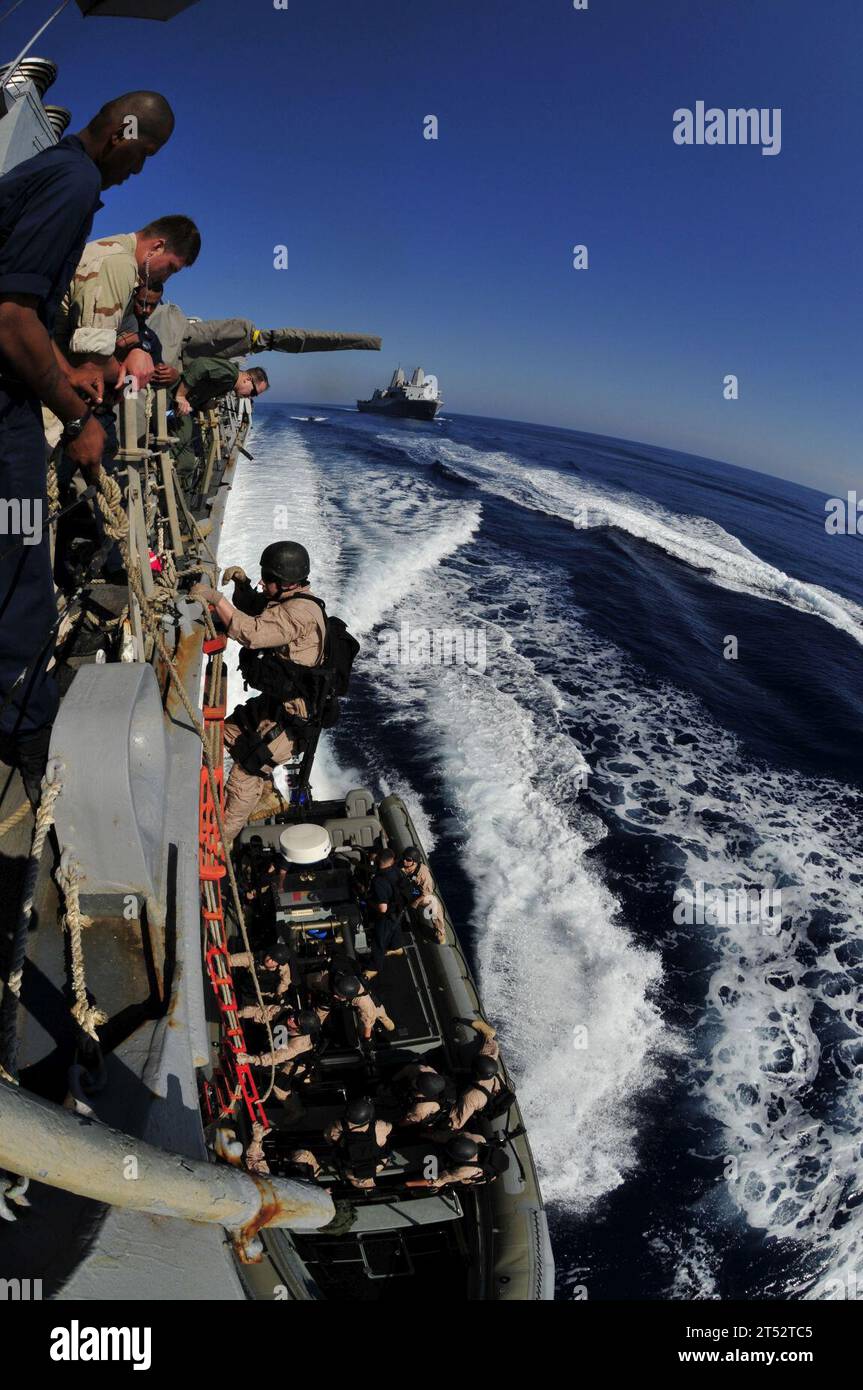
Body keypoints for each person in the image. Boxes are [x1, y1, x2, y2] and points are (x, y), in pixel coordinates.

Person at [0, 90, 175, 798]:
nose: (138, 173)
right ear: (123, 134)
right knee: (19, 563)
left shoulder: (43, 173)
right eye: (144, 154)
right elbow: (11, 318)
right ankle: (27, 729)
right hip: (7, 412)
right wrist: (77, 415)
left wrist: (62, 365)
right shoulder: (73, 184)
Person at [189, 541, 326, 845]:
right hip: (275, 706)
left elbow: (252, 633)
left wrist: (215, 598)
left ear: (286, 582)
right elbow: (257, 608)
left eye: (268, 578)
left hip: (293, 720)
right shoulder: (290, 599)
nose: (263, 582)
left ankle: (219, 842)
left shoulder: (299, 614)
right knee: (224, 733)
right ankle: (268, 795)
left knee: (245, 772)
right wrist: (242, 585)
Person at [170, 358, 268, 481]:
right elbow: (200, 365)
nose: (249, 396)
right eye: (253, 392)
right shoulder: (231, 373)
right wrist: (180, 396)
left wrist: (205, 404)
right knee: (186, 462)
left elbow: (199, 390)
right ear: (247, 379)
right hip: (172, 402)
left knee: (198, 452)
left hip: (182, 410)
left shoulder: (229, 384)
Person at [236, 1008, 322, 1103]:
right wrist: (239, 1013)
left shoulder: (299, 1044)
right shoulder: (286, 1012)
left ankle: (255, 1086)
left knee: (279, 1089)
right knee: (273, 1030)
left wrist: (251, 1059)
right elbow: (262, 1011)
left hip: (292, 1064)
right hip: (279, 1041)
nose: (292, 1018)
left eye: (296, 1021)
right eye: (296, 1015)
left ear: (299, 1030)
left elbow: (277, 1056)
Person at [324, 1098, 392, 1190]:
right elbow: (390, 1127)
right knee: (384, 1144)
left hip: (349, 1168)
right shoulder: (380, 1126)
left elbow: (328, 1138)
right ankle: (365, 1180)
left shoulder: (337, 1126)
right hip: (375, 1166)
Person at [365, 846, 407, 974]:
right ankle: (397, 947)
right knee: (395, 927)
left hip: (387, 914)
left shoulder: (378, 881)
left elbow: (383, 908)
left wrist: (368, 902)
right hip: (399, 909)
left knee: (378, 940)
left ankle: (373, 968)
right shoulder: (397, 871)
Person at [400, 845, 446, 943]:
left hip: (416, 893)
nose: (404, 861)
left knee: (434, 903)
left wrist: (416, 902)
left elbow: (427, 892)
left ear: (415, 862)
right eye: (404, 858)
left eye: (408, 860)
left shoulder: (423, 873)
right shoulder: (400, 866)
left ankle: (440, 932)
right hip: (401, 890)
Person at [392, 1062, 455, 1129]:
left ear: (423, 1093)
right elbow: (404, 1072)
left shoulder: (420, 1108)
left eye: (416, 1084)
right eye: (417, 1079)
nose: (414, 1081)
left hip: (432, 1111)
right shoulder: (420, 1069)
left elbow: (404, 1122)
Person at [228, 942, 293, 1004]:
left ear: (278, 964)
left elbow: (285, 982)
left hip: (262, 996)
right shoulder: (255, 958)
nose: (269, 961)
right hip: (245, 988)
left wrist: (279, 994)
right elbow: (234, 960)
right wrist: (229, 961)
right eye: (270, 956)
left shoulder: (283, 968)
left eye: (274, 961)